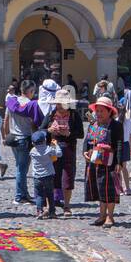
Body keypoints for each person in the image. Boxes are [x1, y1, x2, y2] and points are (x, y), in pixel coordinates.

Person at [83, 96, 124, 226]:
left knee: (109, 189)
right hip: (95, 162)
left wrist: (119, 162)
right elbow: (87, 140)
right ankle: (101, 215)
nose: (99, 113)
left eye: (102, 111)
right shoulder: (93, 124)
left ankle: (110, 216)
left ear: (110, 111)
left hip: (109, 163)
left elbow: (119, 143)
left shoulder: (116, 126)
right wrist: (85, 150)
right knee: (100, 188)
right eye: (97, 111)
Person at [46, 87, 83, 215]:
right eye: (57, 104)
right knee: (52, 176)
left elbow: (80, 133)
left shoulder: (74, 115)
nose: (59, 106)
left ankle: (66, 206)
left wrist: (69, 133)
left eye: (61, 104)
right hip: (53, 148)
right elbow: (41, 129)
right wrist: (49, 130)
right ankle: (51, 206)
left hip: (68, 148)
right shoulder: (51, 115)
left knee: (68, 177)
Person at [4, 80, 40, 204]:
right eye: (33, 91)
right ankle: (19, 196)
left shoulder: (12, 102)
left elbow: (6, 119)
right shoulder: (31, 105)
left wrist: (5, 135)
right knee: (22, 169)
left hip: (13, 138)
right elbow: (34, 122)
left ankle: (24, 194)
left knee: (20, 167)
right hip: (25, 138)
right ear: (30, 91)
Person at [30, 129, 61, 219]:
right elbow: (59, 154)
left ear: (33, 143)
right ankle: (52, 212)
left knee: (39, 194)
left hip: (37, 177)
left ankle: (39, 211)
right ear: (44, 140)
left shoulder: (32, 151)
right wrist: (55, 145)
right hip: (48, 175)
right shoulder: (49, 149)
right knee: (50, 194)